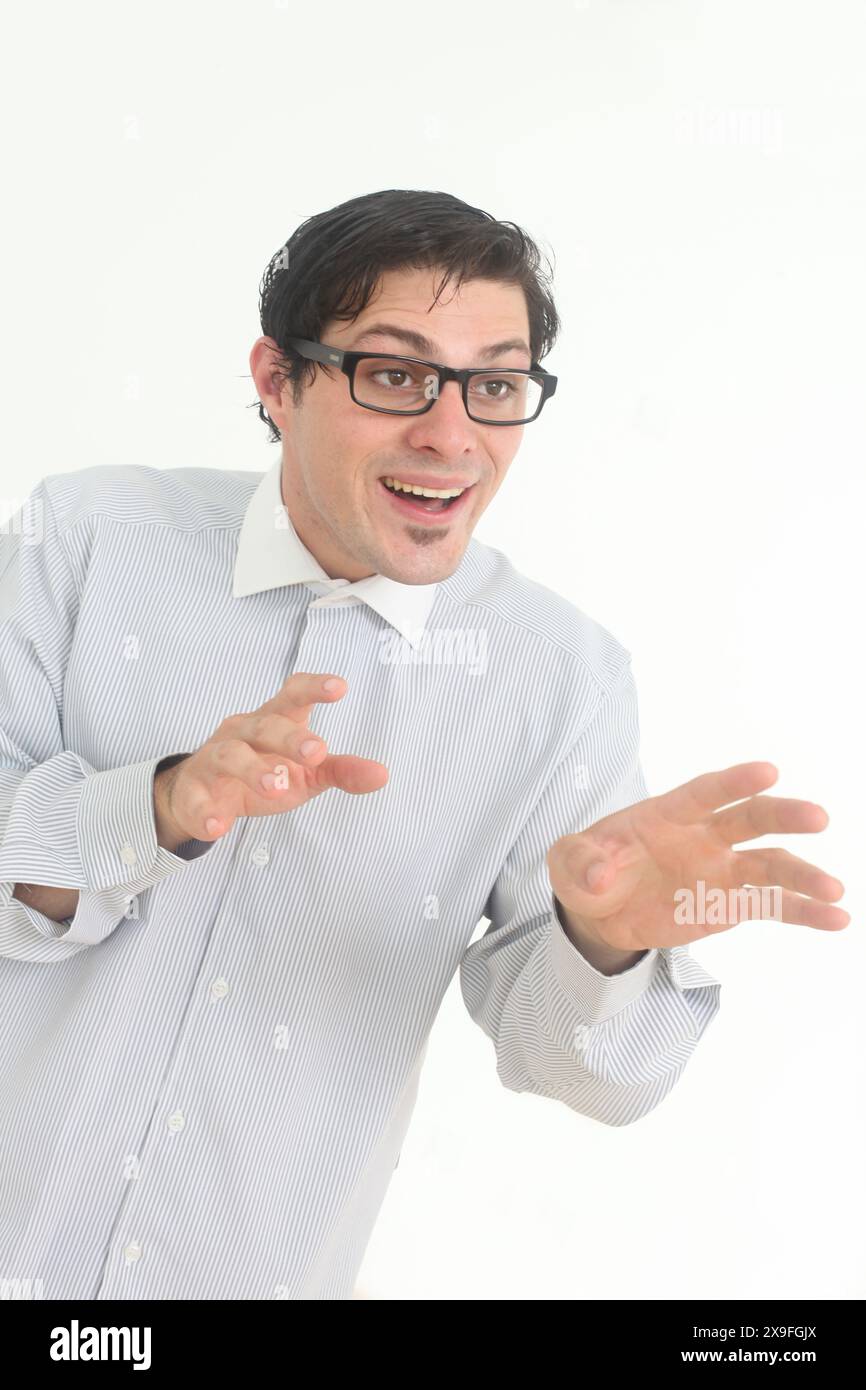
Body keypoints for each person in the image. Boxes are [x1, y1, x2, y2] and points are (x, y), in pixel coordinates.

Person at [0, 189, 847, 1301]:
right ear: (275, 381)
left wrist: (603, 947)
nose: (450, 435)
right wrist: (152, 808)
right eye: (395, 374)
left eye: (493, 384)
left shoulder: (559, 682)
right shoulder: (88, 539)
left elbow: (588, 1072)